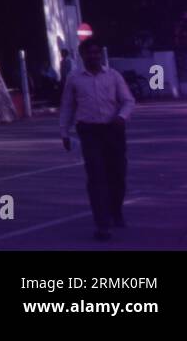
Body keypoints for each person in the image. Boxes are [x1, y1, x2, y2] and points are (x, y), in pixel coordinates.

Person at [60, 37, 136, 241]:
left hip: (113, 130)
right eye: (88, 53)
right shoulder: (74, 78)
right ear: (82, 55)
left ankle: (116, 211)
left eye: (96, 53)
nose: (93, 56)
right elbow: (67, 106)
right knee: (96, 178)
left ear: (100, 55)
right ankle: (102, 224)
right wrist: (64, 133)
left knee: (117, 175)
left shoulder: (113, 76)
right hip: (89, 132)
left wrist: (122, 117)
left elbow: (128, 100)